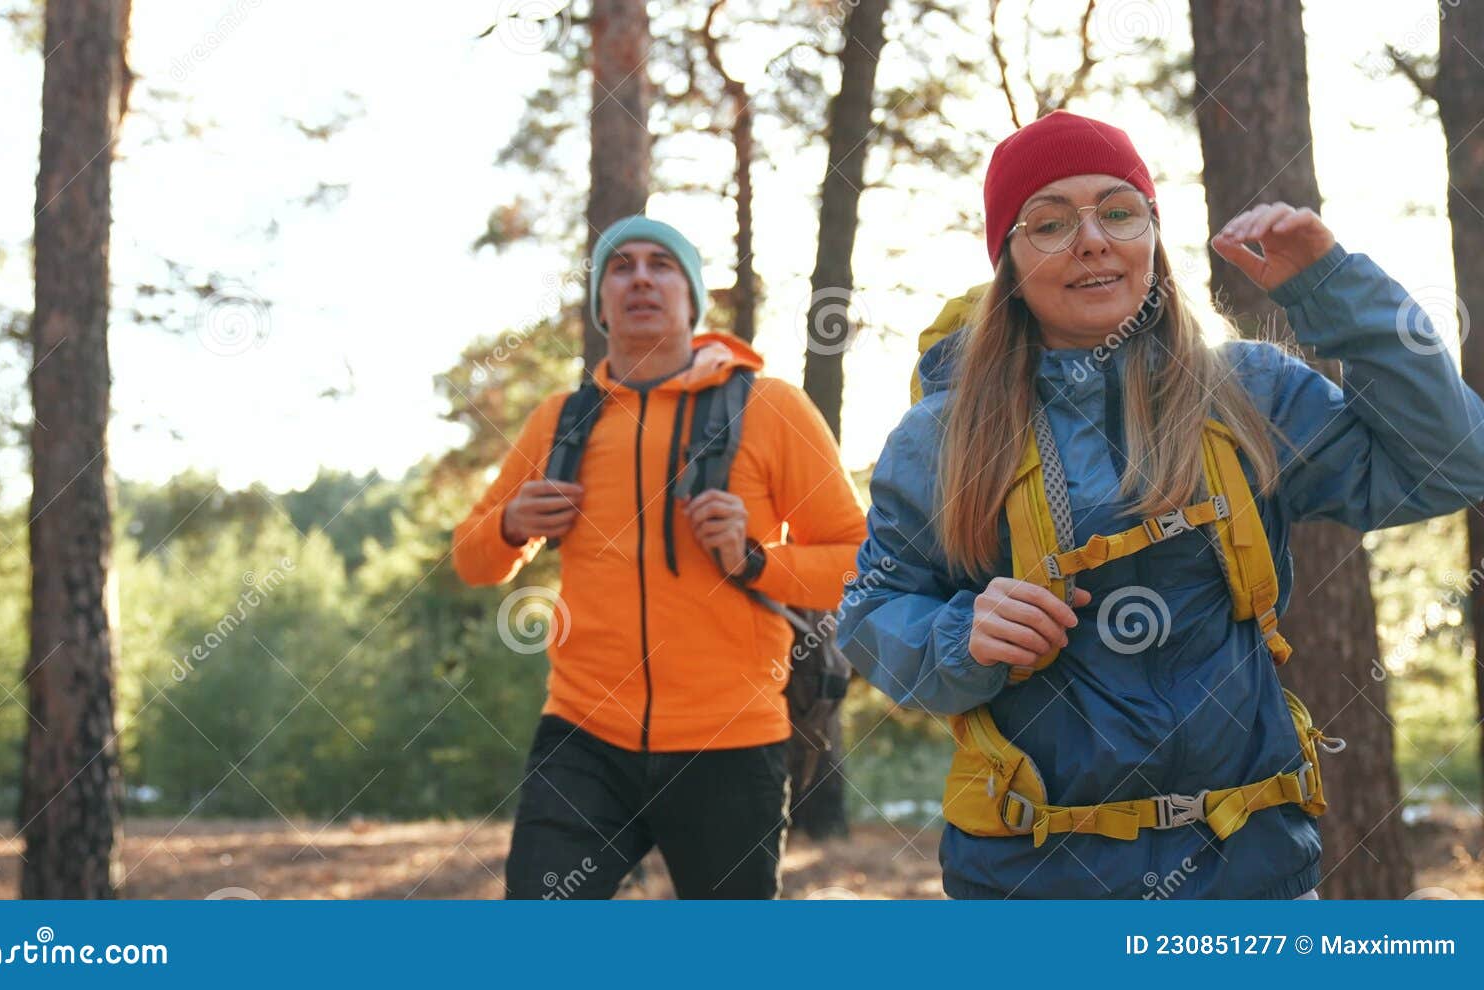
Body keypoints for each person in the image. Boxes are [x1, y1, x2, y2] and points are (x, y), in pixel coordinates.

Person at [836, 111, 1484, 899]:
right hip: (1033, 889)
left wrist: (1334, 289)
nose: (1093, 239)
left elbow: (1451, 465)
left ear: (1152, 234)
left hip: (1253, 878)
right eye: (1048, 223)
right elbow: (869, 614)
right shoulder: (940, 434)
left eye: (1119, 210)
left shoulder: (1249, 392)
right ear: (1008, 259)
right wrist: (956, 634)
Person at [453, 215, 867, 899]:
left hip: (731, 741)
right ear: (601, 303)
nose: (640, 276)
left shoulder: (772, 408)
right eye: (620, 266)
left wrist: (757, 560)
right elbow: (471, 560)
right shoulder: (562, 421)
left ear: (691, 295)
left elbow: (859, 563)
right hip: (584, 736)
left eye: (660, 264)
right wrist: (510, 523)